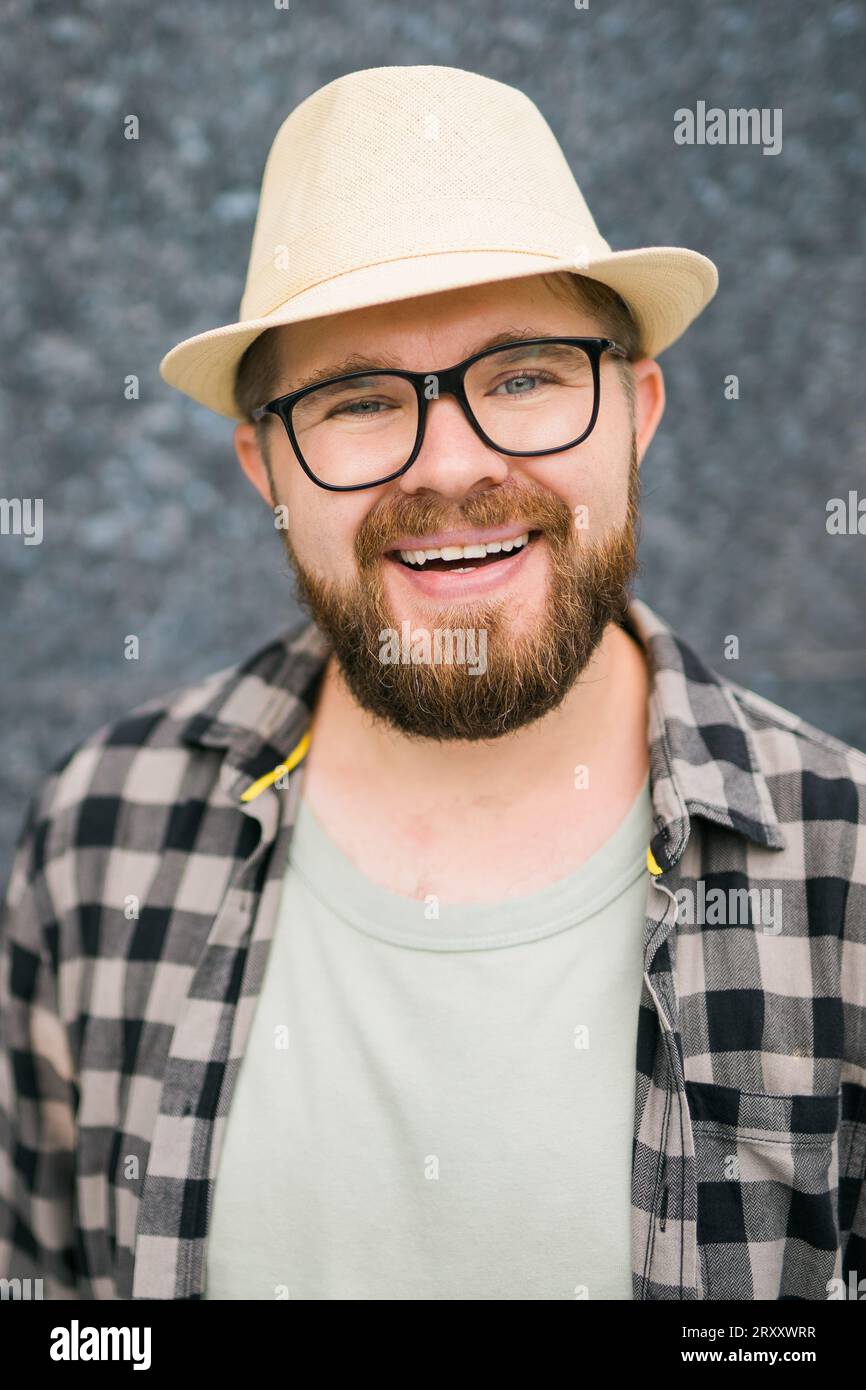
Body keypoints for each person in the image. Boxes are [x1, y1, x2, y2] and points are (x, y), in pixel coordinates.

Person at [1, 65, 864, 1303]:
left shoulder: (844, 873)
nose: (452, 465)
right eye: (355, 400)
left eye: (521, 376)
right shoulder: (101, 840)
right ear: (265, 472)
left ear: (637, 412)